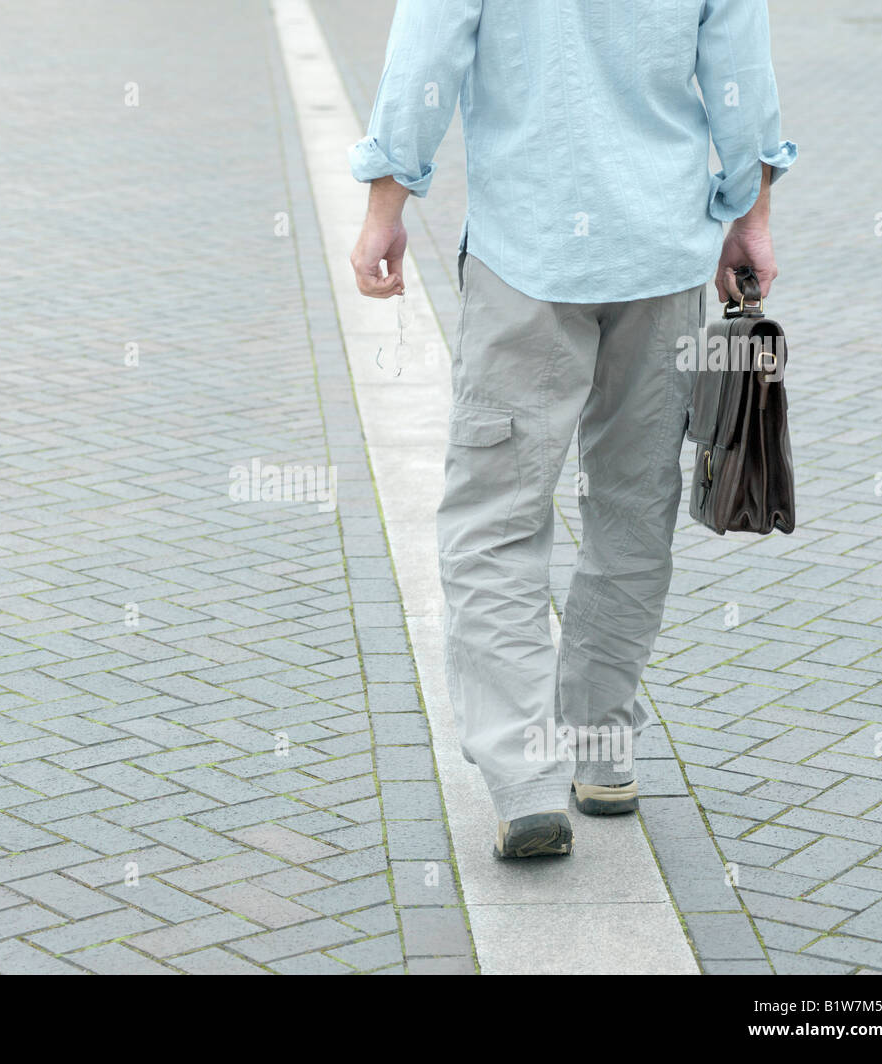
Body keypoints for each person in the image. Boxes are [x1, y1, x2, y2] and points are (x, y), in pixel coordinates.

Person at [348, 0, 795, 857]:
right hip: (660, 258)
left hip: (529, 257)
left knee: (494, 517)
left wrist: (386, 203)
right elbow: (740, 78)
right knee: (634, 506)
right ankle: (601, 748)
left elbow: (426, 56)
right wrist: (752, 214)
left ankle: (524, 780)